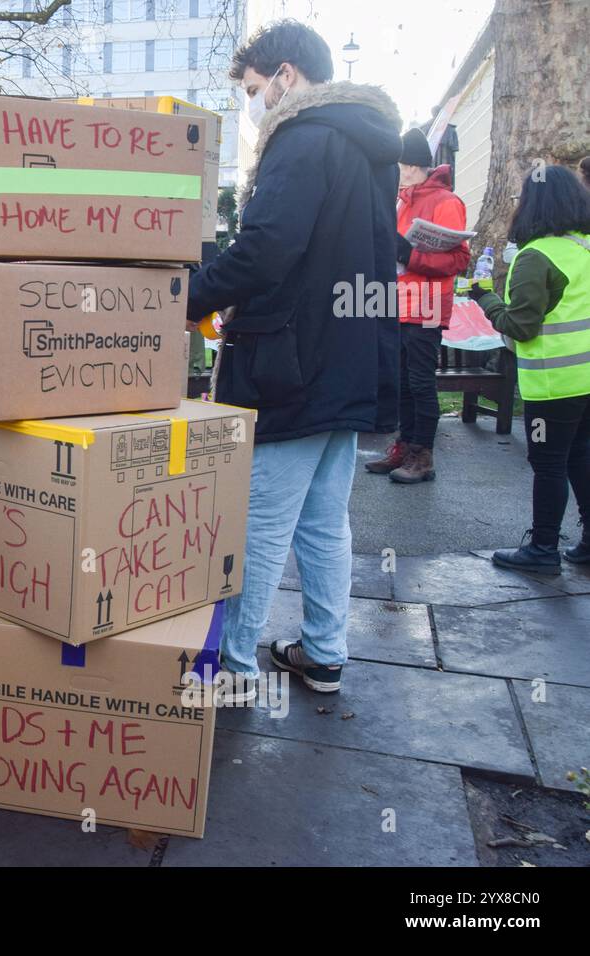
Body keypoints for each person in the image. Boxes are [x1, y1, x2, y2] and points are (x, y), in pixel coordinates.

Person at [185, 19, 401, 699]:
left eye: (253, 88)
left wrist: (187, 297)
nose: (252, 103)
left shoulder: (302, 138)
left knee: (259, 520)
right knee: (323, 520)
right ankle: (325, 653)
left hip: (292, 364)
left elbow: (269, 248)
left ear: (285, 76)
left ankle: (237, 670)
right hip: (347, 360)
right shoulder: (368, 147)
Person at [470, 164, 590, 572]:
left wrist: (483, 298)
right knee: (581, 457)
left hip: (556, 383)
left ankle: (542, 549)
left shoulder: (535, 257)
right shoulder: (585, 249)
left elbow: (520, 326)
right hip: (587, 380)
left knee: (550, 463)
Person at [366, 129, 469, 483]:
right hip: (399, 304)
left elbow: (458, 260)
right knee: (403, 383)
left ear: (411, 167)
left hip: (426, 305)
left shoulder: (445, 202)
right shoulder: (402, 200)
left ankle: (422, 456)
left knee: (421, 383)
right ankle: (405, 447)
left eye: (399, 166)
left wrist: (409, 254)